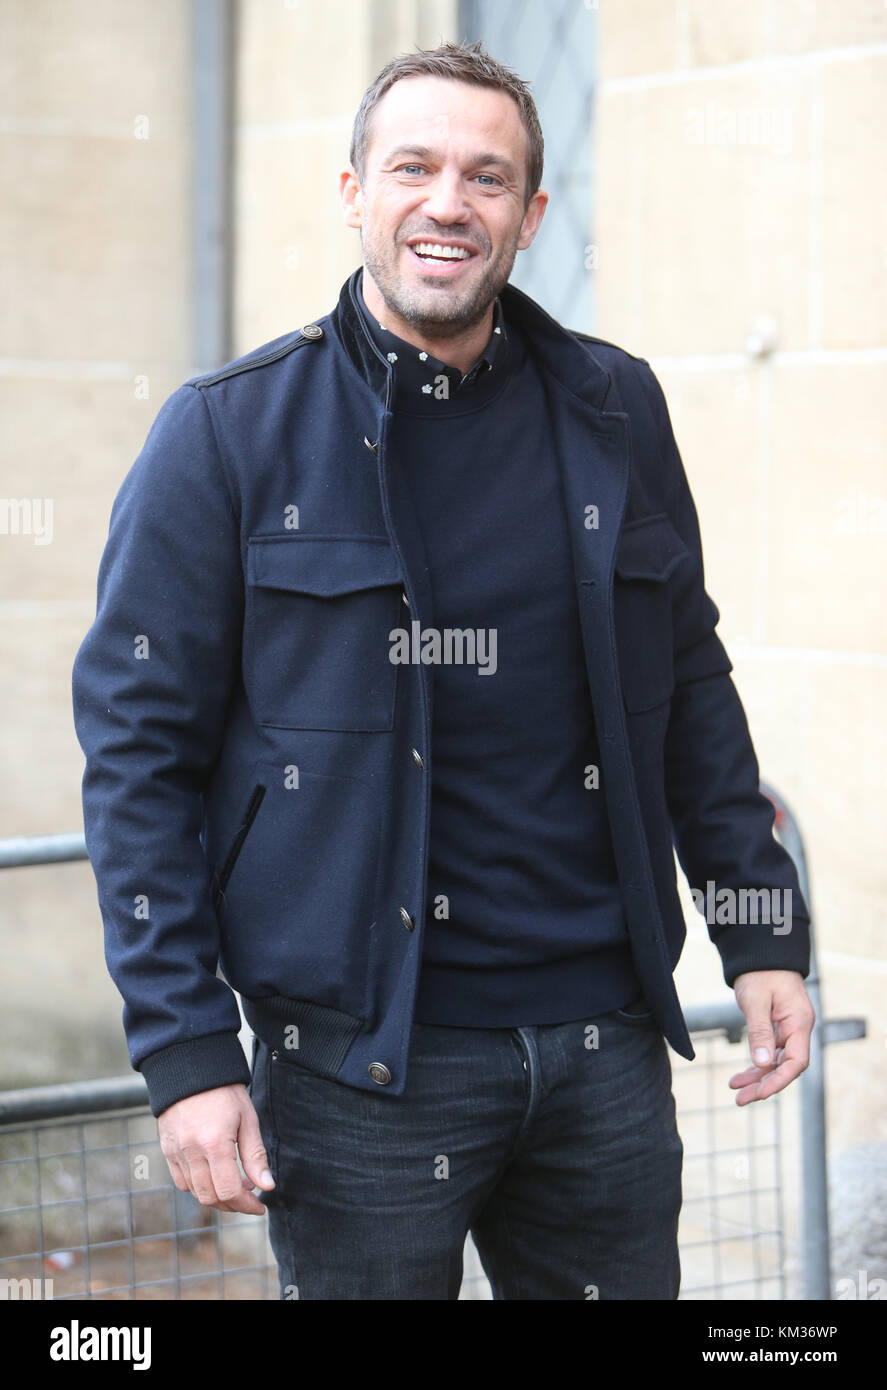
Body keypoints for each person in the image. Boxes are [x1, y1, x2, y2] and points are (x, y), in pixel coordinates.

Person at [71, 41, 815, 1300]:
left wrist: (758, 927)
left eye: (485, 176)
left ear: (528, 215)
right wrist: (186, 1050)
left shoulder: (612, 408)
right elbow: (136, 755)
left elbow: (685, 678)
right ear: (354, 191)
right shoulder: (227, 432)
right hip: (361, 1070)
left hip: (603, 1054)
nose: (446, 202)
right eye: (412, 166)